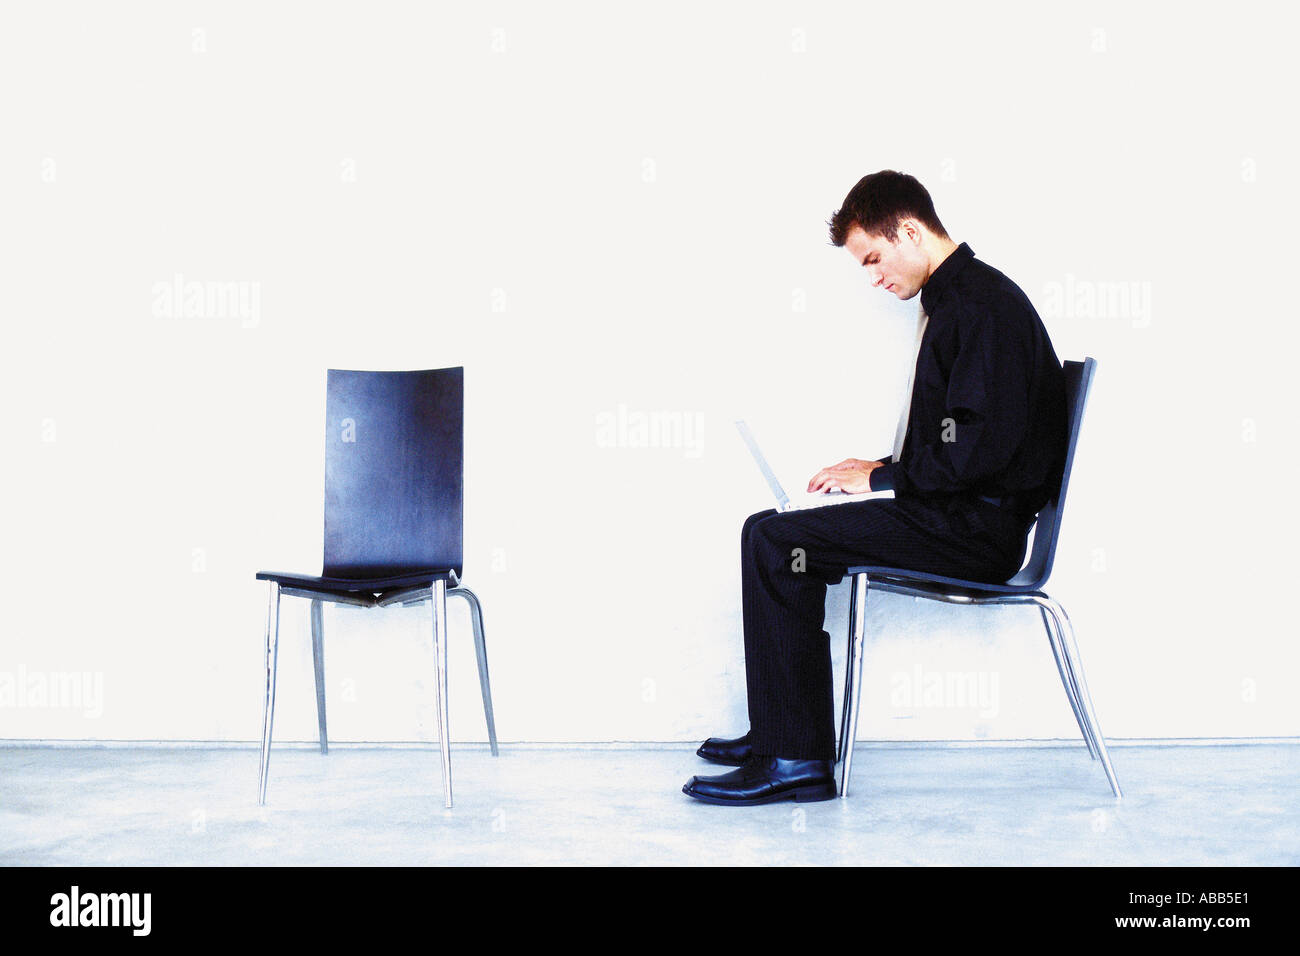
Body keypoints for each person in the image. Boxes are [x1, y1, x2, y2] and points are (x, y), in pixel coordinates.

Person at [682, 170, 1068, 806]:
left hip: (975, 534)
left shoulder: (979, 307)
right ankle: (781, 733)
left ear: (909, 231)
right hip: (958, 514)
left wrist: (884, 477)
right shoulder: (962, 299)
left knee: (779, 543)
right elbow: (969, 435)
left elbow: (976, 447)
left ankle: (796, 761)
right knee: (764, 529)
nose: (874, 278)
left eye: (874, 258)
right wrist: (880, 464)